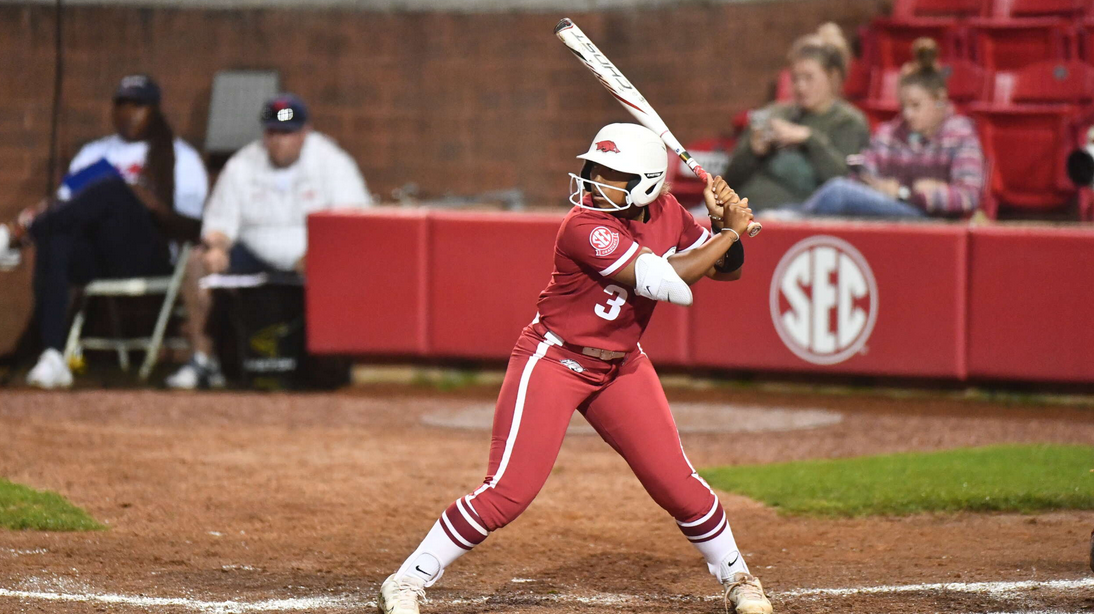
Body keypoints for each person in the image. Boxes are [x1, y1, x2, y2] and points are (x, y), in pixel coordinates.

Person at [376, 123, 772, 614]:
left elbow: (726, 270)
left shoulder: (667, 211)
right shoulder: (583, 225)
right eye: (595, 169)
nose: (593, 181)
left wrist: (720, 228)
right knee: (508, 493)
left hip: (621, 365)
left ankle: (738, 578)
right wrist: (730, 227)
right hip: (555, 359)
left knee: (678, 484)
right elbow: (665, 282)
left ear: (647, 183)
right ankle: (408, 580)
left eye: (611, 174)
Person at [0, 74, 208, 389]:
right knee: (57, 237)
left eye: (137, 105)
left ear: (154, 111)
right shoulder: (94, 153)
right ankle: (53, 356)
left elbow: (196, 228)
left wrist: (152, 206)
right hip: (98, 257)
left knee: (112, 187)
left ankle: (18, 234)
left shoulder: (181, 158)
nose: (128, 113)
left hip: (147, 254)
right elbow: (63, 209)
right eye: (121, 105)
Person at [165, 94, 372, 389]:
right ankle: (204, 361)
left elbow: (352, 223)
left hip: (313, 254)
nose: (278, 141)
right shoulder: (243, 163)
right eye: (272, 132)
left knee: (347, 267)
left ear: (304, 132)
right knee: (197, 261)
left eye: (287, 133)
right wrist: (217, 248)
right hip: (254, 251)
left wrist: (321, 253)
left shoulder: (331, 162)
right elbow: (219, 224)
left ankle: (332, 363)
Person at [792, 38, 985, 218]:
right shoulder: (889, 134)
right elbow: (860, 176)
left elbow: (969, 195)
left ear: (939, 101)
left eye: (916, 106)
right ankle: (785, 218)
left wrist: (909, 194)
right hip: (888, 214)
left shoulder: (960, 135)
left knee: (838, 191)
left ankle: (793, 223)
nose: (908, 114)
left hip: (932, 222)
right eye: (903, 106)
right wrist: (879, 186)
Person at [724, 23, 870, 210]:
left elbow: (844, 187)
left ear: (833, 77)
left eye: (809, 78)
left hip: (796, 213)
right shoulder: (776, 113)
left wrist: (809, 139)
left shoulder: (848, 122)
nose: (800, 87)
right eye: (795, 79)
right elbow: (729, 180)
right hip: (738, 207)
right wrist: (752, 150)